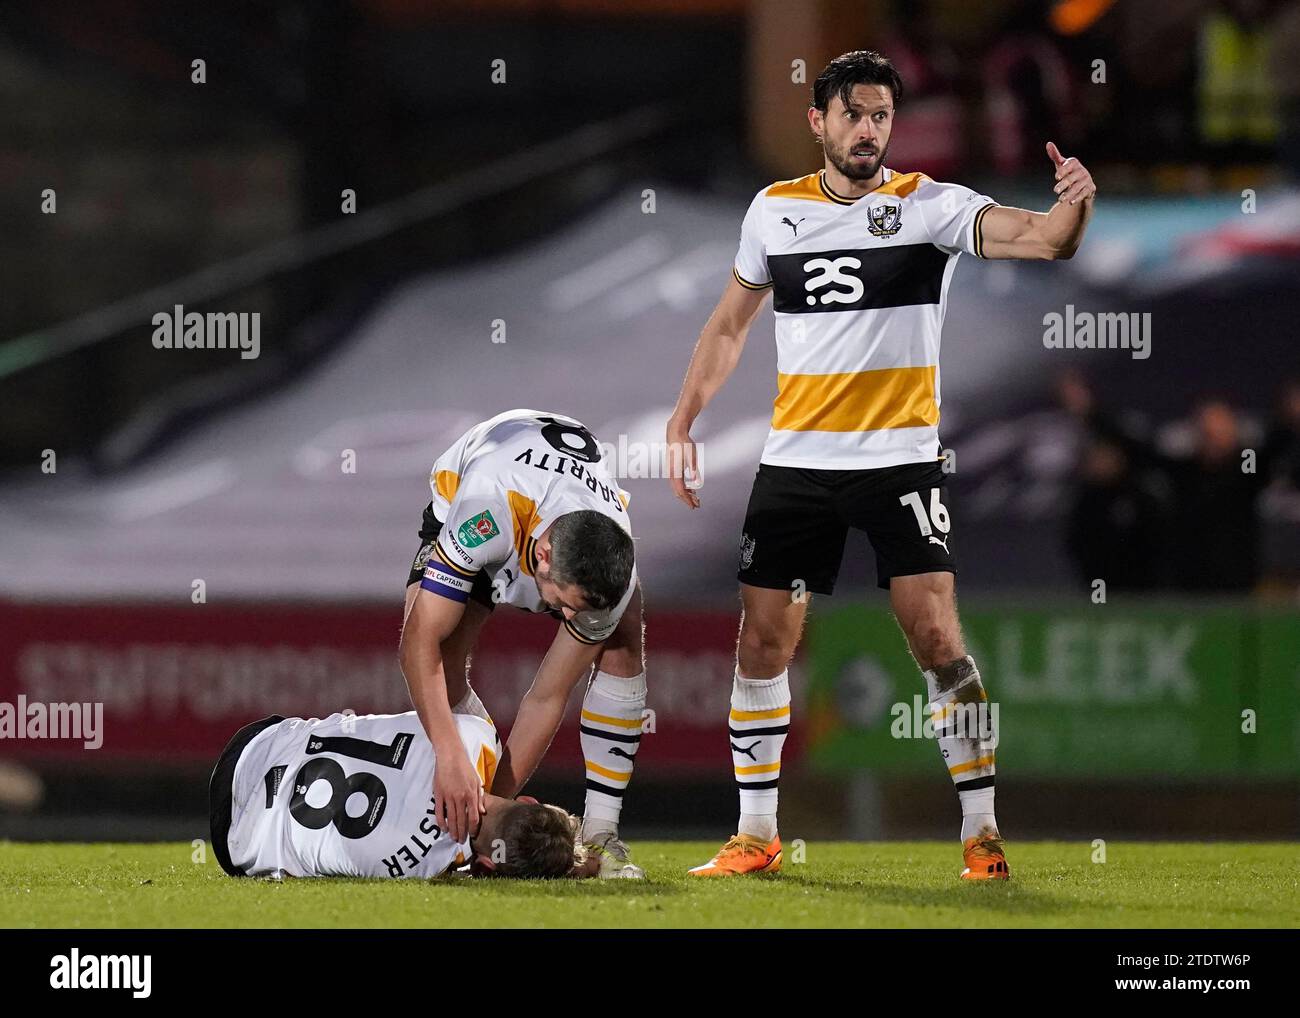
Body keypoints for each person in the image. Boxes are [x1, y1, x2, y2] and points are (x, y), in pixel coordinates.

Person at [666, 49, 1096, 880]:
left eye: (881, 117)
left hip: (899, 460)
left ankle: (982, 832)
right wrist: (685, 417)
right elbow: (728, 325)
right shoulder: (773, 212)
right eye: (854, 114)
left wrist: (1071, 210)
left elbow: (1040, 239)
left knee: (935, 634)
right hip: (797, 463)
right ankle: (755, 834)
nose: (869, 130)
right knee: (764, 639)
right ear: (819, 121)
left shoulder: (927, 205)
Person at [400, 409, 645, 877]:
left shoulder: (612, 576)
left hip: (561, 511)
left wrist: (496, 808)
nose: (567, 619)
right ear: (545, 557)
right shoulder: (484, 512)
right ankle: (463, 802)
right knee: (444, 660)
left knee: (622, 639)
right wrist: (452, 758)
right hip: (478, 496)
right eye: (562, 604)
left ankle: (602, 832)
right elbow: (416, 645)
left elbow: (546, 696)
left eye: (577, 612)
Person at [208, 707, 579, 880]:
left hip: (261, 743)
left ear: (528, 800)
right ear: (487, 866)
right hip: (237, 839)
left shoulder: (476, 738)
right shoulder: (430, 869)